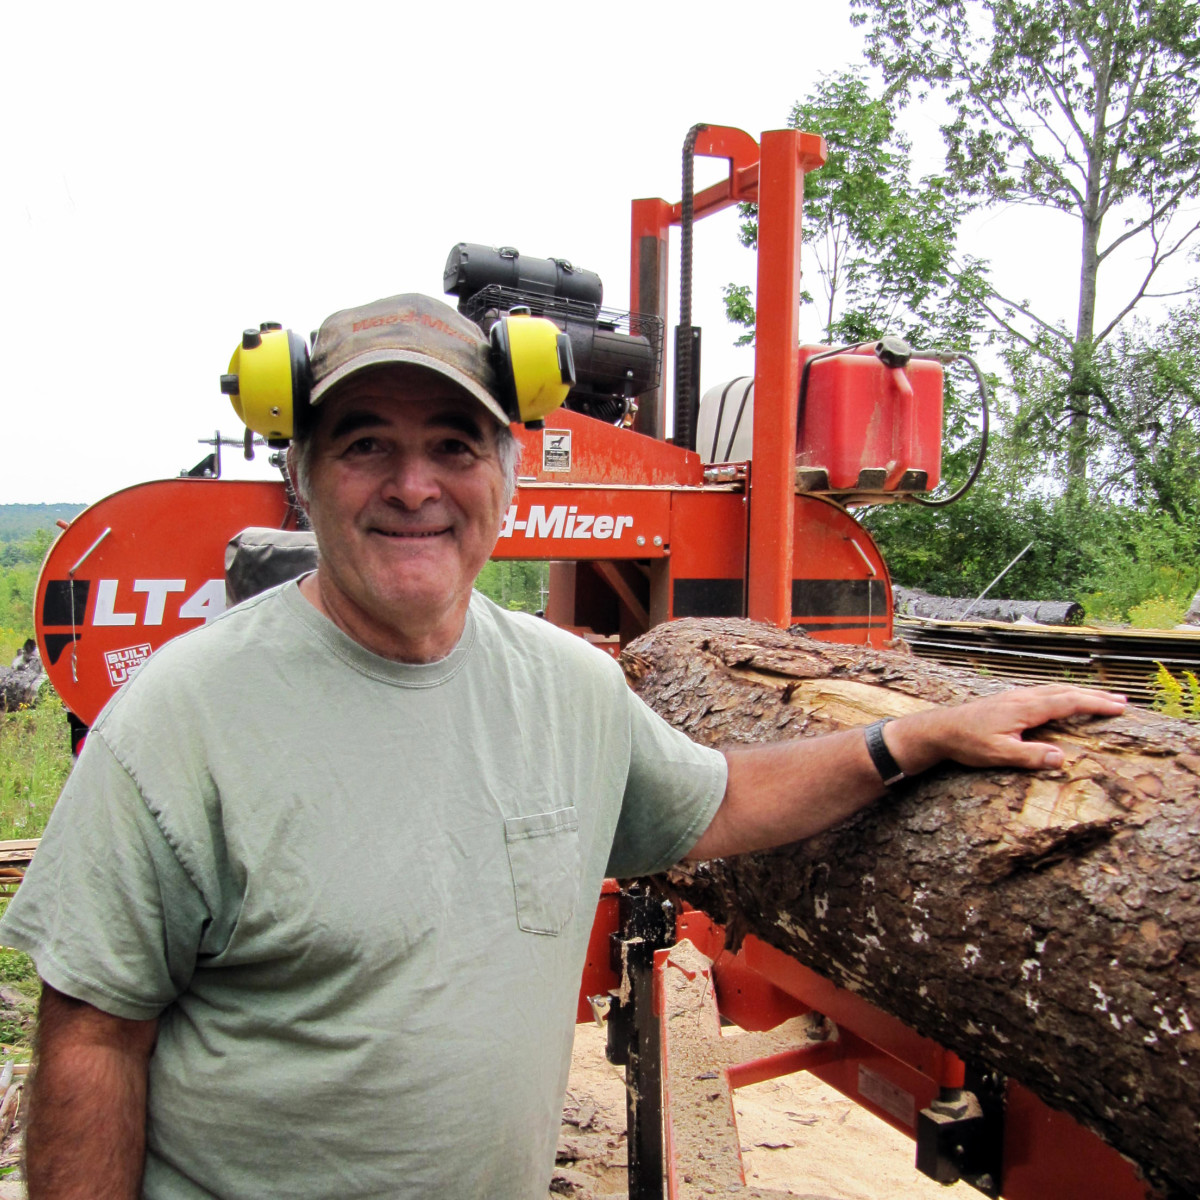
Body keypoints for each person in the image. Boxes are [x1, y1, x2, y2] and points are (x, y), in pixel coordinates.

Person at [0, 294, 1126, 1200]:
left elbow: (719, 800)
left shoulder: (567, 686)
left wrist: (906, 741)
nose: (413, 485)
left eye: (453, 444)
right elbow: (93, 1039)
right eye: (364, 444)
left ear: (507, 471)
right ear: (300, 472)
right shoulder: (183, 717)